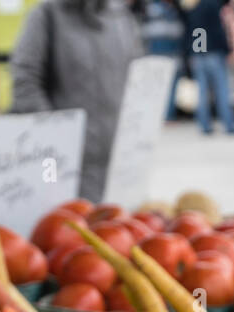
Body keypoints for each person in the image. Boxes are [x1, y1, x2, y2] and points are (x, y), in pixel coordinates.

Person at [10, 0, 143, 202]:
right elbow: (25, 82)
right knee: (64, 227)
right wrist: (55, 138)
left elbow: (137, 80)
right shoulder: (46, 16)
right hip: (63, 166)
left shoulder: (122, 17)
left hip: (117, 164)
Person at [180, 0, 234, 135]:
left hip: (198, 52)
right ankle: (229, 125)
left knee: (202, 91)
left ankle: (205, 125)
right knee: (222, 90)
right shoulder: (212, 4)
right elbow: (218, 28)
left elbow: (192, 30)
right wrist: (227, 49)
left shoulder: (190, 5)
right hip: (213, 52)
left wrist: (193, 51)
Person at [141, 0, 186, 119]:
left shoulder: (174, 9)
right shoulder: (153, 8)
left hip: (173, 57)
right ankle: (161, 116)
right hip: (158, 56)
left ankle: (168, 116)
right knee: (158, 88)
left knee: (171, 89)